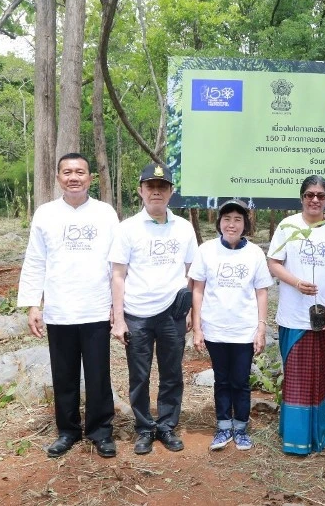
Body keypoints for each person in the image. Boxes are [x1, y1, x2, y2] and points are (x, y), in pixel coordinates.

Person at [17, 152, 118, 458]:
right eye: (67, 172)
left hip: (96, 306)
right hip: (59, 308)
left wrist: (117, 304)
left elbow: (117, 263)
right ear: (58, 177)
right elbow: (35, 260)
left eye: (80, 172)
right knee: (64, 374)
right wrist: (33, 304)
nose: (74, 177)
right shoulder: (45, 214)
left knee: (99, 374)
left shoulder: (105, 213)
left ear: (90, 178)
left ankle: (101, 431)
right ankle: (68, 430)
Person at [109, 163, 197, 455]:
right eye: (150, 187)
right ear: (140, 191)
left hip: (172, 314)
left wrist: (190, 311)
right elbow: (118, 275)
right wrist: (119, 319)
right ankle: (145, 428)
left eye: (162, 187)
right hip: (137, 315)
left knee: (172, 374)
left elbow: (192, 272)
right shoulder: (127, 228)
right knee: (140, 375)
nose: (156, 192)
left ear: (171, 192)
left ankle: (167, 426)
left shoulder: (184, 228)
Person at [267, 175, 325, 454]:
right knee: (295, 377)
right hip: (293, 316)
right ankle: (294, 436)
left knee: (320, 375)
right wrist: (295, 282)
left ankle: (318, 433)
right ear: (301, 197)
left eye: (320, 195)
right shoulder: (288, 226)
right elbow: (274, 263)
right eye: (309, 195)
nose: (314, 199)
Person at [190, 199, 273, 451]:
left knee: (241, 381)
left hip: (244, 331)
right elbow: (198, 290)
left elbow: (261, 292)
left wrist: (261, 328)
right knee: (222, 380)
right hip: (215, 329)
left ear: (245, 224)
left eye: (237, 219)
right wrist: (197, 328)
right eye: (226, 219)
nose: (231, 224)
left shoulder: (255, 253)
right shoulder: (207, 250)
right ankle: (223, 426)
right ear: (219, 223)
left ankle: (241, 428)